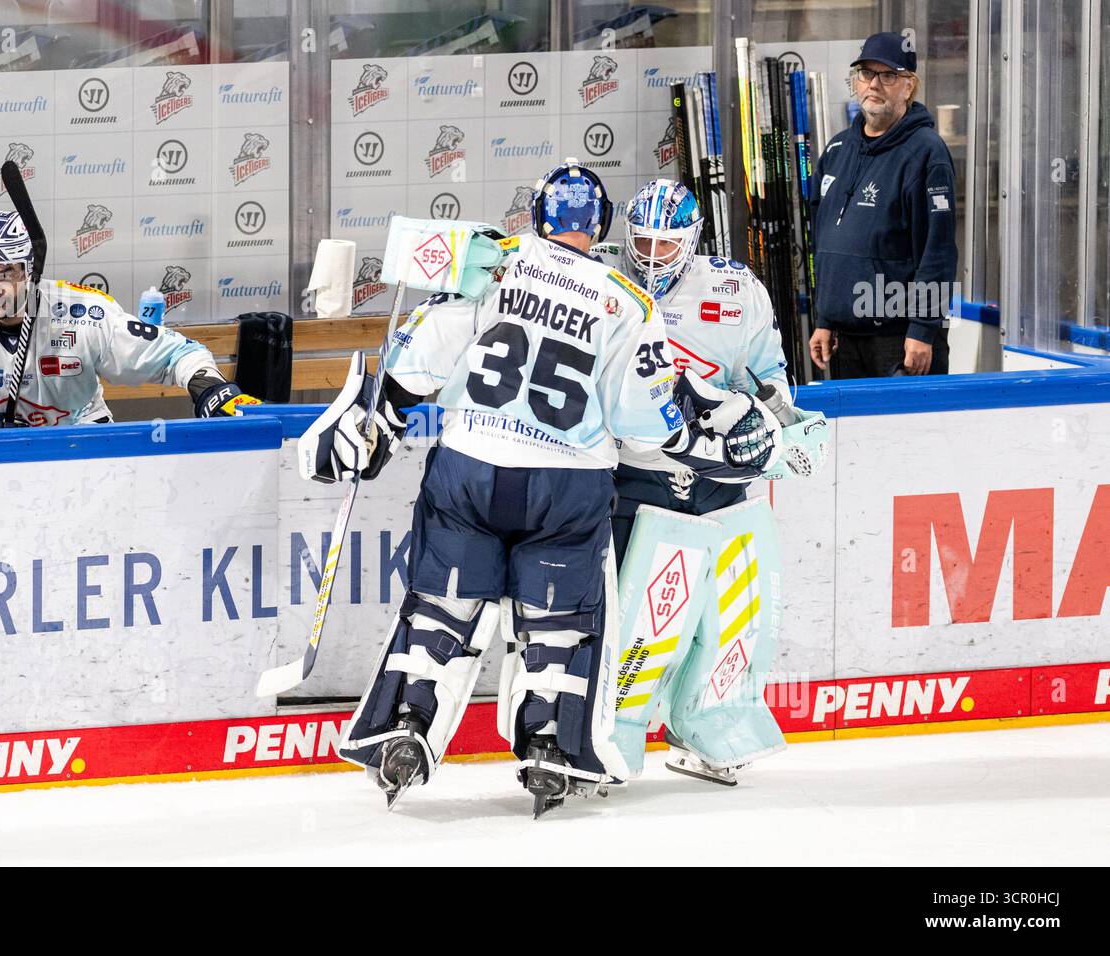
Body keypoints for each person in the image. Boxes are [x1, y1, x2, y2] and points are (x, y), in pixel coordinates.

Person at [301, 159, 779, 817]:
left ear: (534, 217)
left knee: (442, 606)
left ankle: (408, 720)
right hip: (567, 482)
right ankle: (548, 744)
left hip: (470, 465)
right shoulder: (625, 301)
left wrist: (376, 417)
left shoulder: (489, 264)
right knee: (558, 624)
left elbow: (418, 362)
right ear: (605, 229)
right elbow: (643, 426)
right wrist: (710, 436)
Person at [599, 178, 826, 785]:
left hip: (723, 478)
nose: (649, 256)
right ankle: (613, 733)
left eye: (665, 246)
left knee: (732, 610)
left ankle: (714, 720)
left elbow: (770, 376)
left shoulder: (735, 287)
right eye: (640, 242)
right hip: (641, 477)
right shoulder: (606, 285)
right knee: (642, 613)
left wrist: (779, 422)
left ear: (692, 239)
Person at [0, 210, 255, 433]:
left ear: (32, 271)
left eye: (8, 274)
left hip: (85, 448)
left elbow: (179, 354)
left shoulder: (84, 315)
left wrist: (210, 390)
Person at [807, 31, 958, 378]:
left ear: (908, 86)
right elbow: (825, 242)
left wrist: (923, 328)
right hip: (846, 338)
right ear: (855, 82)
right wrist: (826, 318)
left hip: (901, 338)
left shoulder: (925, 153)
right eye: (866, 73)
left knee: (912, 433)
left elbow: (939, 251)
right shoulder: (837, 150)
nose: (874, 84)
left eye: (888, 75)